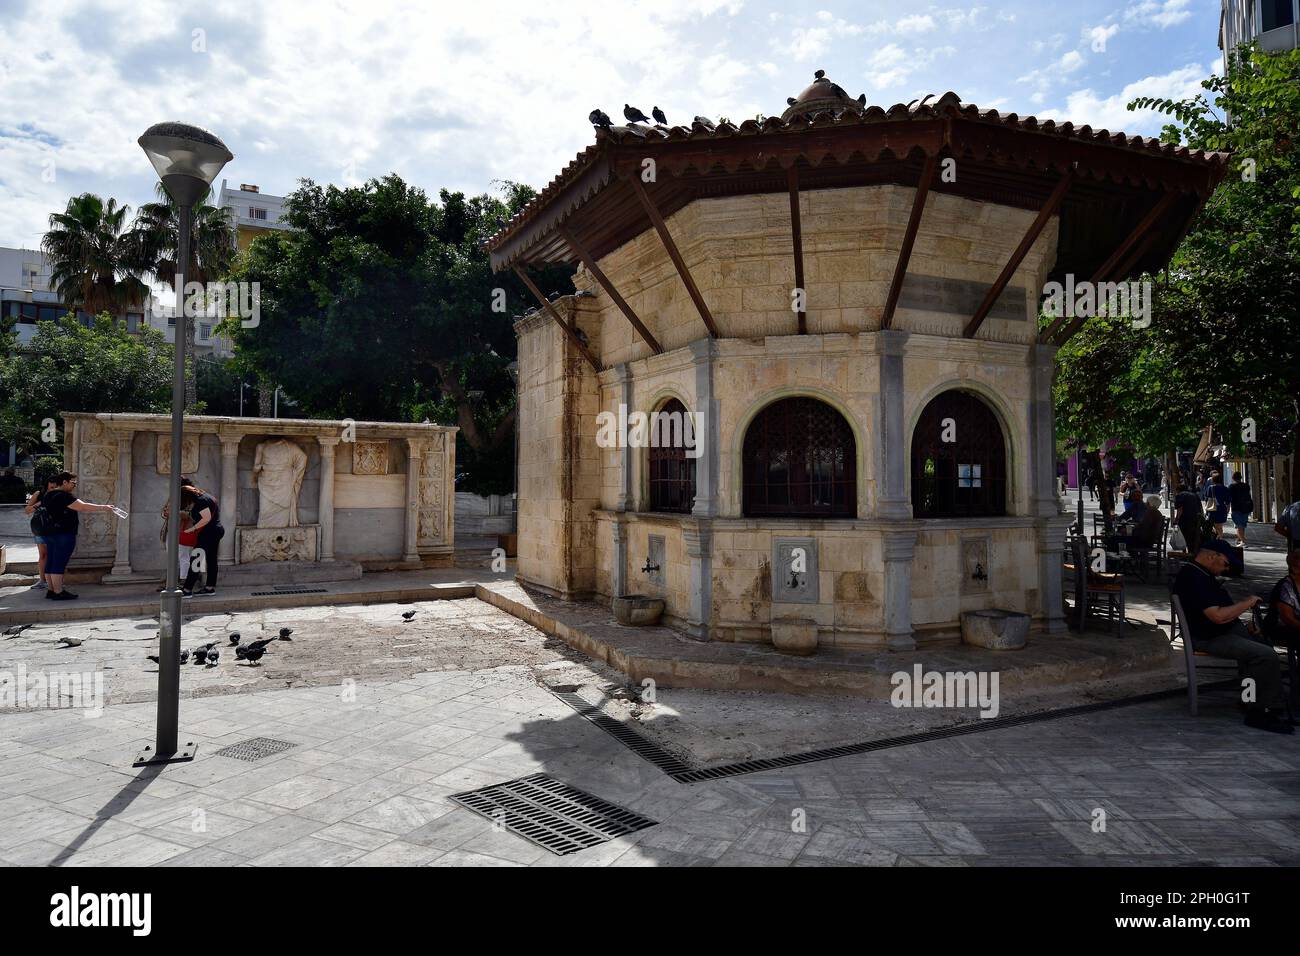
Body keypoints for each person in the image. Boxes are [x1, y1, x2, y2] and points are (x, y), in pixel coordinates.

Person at [1172, 540, 1291, 734]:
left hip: (1222, 631)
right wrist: (1247, 603)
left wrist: (1245, 625)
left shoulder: (1203, 574)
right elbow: (1217, 616)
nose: (1226, 569)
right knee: (1264, 654)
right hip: (1210, 636)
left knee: (1260, 645)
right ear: (1213, 556)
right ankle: (1261, 710)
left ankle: (1248, 699)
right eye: (1226, 564)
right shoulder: (1194, 577)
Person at [34, 472, 119, 601]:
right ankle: (58, 592)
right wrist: (105, 507)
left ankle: (51, 590)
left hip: (49, 533)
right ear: (64, 482)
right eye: (73, 483)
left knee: (51, 561)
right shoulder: (64, 496)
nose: (75, 485)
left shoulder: (48, 495)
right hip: (63, 534)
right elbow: (83, 507)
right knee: (59, 562)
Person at [180, 482, 223, 596]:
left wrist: (192, 528)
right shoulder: (207, 497)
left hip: (208, 533)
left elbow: (206, 518)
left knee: (196, 560)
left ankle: (187, 590)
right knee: (212, 560)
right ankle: (210, 588)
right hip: (216, 531)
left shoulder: (201, 501)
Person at [23, 476, 59, 590]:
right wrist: (40, 503)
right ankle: (42, 580)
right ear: (47, 483)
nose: (53, 485)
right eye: (51, 482)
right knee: (43, 555)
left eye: (56, 483)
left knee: (54, 554)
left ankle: (54, 581)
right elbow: (27, 510)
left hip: (55, 529)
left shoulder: (59, 494)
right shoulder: (39, 494)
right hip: (41, 528)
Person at [1173, 484, 1203, 555]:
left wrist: (1176, 520)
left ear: (1178, 490)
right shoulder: (1195, 495)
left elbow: (1180, 510)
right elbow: (1200, 508)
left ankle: (1185, 554)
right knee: (1193, 538)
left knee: (1184, 537)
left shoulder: (1179, 495)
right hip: (1196, 519)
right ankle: (1192, 553)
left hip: (1185, 519)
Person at [1227, 471, 1253, 549]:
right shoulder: (1246, 485)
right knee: (1242, 526)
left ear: (1233, 478)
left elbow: (1229, 498)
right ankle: (1240, 539)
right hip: (1246, 508)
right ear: (1241, 477)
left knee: (1239, 526)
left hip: (1236, 508)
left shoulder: (1231, 487)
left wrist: (1227, 507)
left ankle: (1243, 541)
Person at [1206, 472, 1231, 538]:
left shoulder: (1210, 488)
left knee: (1214, 526)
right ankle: (1220, 539)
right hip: (1221, 509)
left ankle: (1217, 539)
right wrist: (1227, 511)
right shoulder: (1225, 489)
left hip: (1212, 509)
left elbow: (1207, 500)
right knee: (1220, 526)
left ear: (1213, 480)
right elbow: (1228, 502)